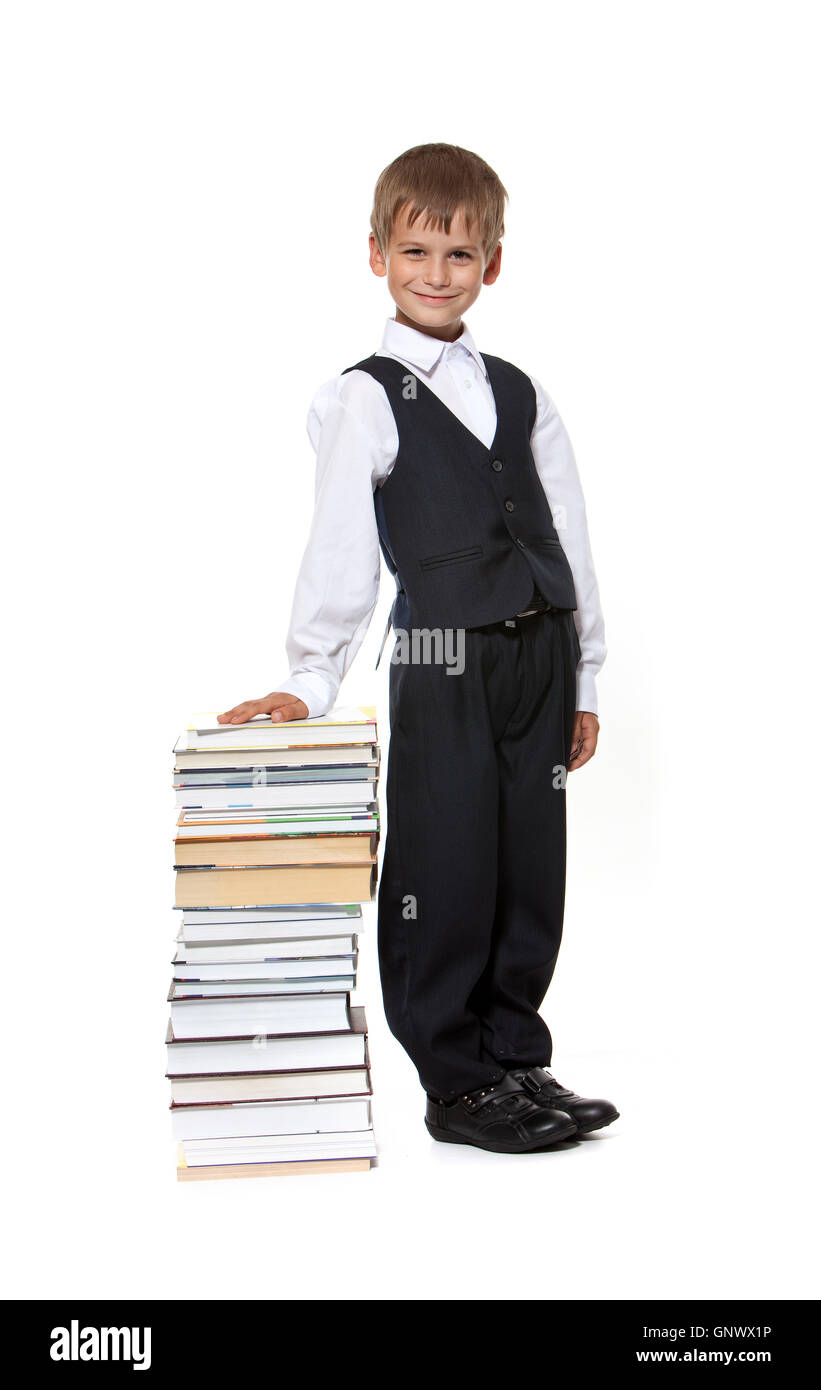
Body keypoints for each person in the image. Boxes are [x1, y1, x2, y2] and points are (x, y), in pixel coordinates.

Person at [219, 142, 618, 1153]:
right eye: (415, 251)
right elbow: (342, 548)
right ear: (374, 256)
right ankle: (455, 1079)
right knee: (445, 859)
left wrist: (587, 673)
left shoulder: (521, 392)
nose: (436, 274)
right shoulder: (362, 396)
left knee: (529, 862)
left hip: (539, 649)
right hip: (442, 650)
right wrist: (309, 678)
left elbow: (565, 531)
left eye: (459, 253)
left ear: (493, 263)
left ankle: (513, 1053)